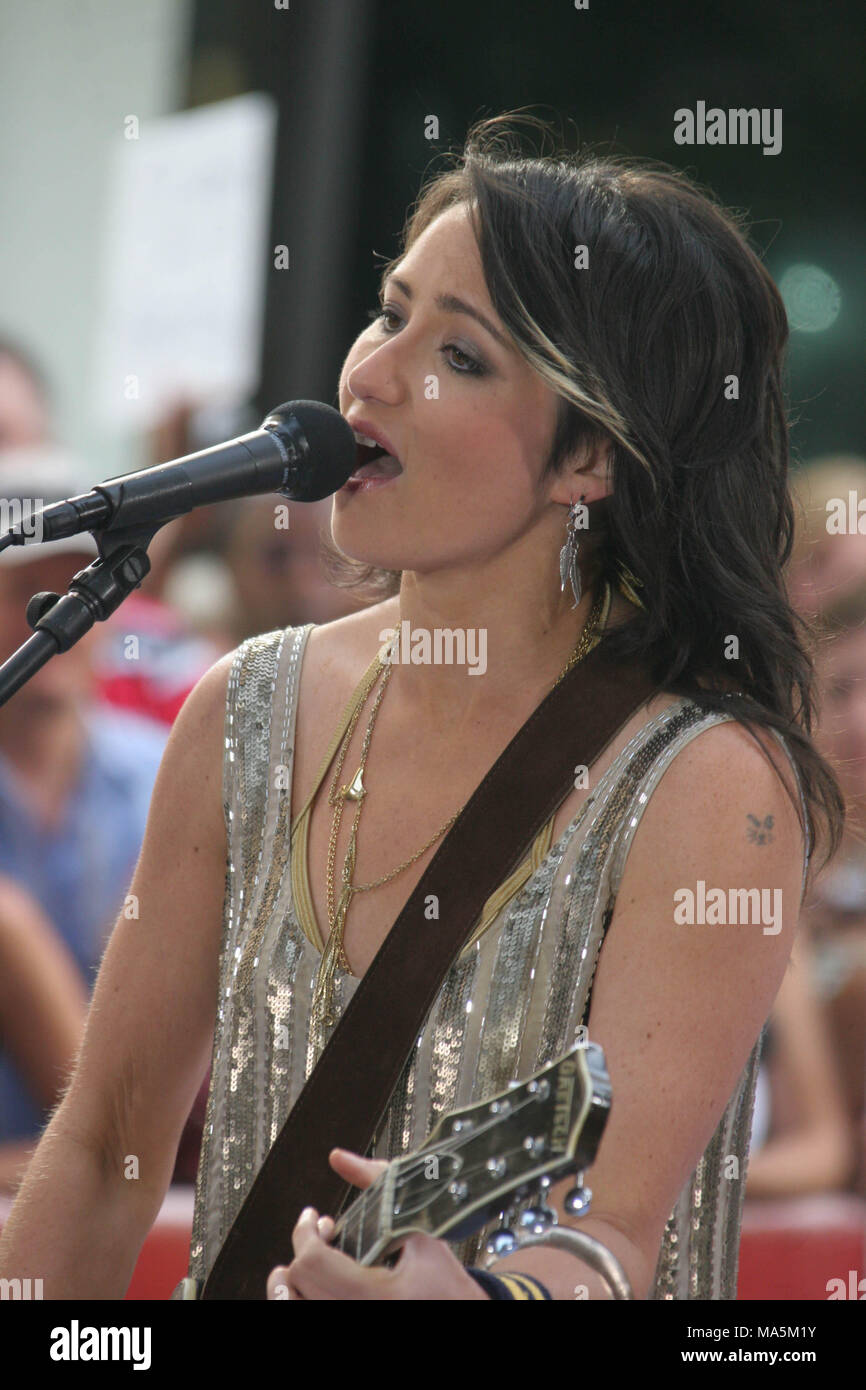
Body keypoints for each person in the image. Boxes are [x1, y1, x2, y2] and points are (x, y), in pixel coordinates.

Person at [0, 114, 845, 1301]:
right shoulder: (243, 707)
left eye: (460, 356)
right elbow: (100, 1151)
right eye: (391, 313)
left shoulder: (707, 783)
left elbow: (606, 1238)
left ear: (587, 459)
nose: (371, 374)